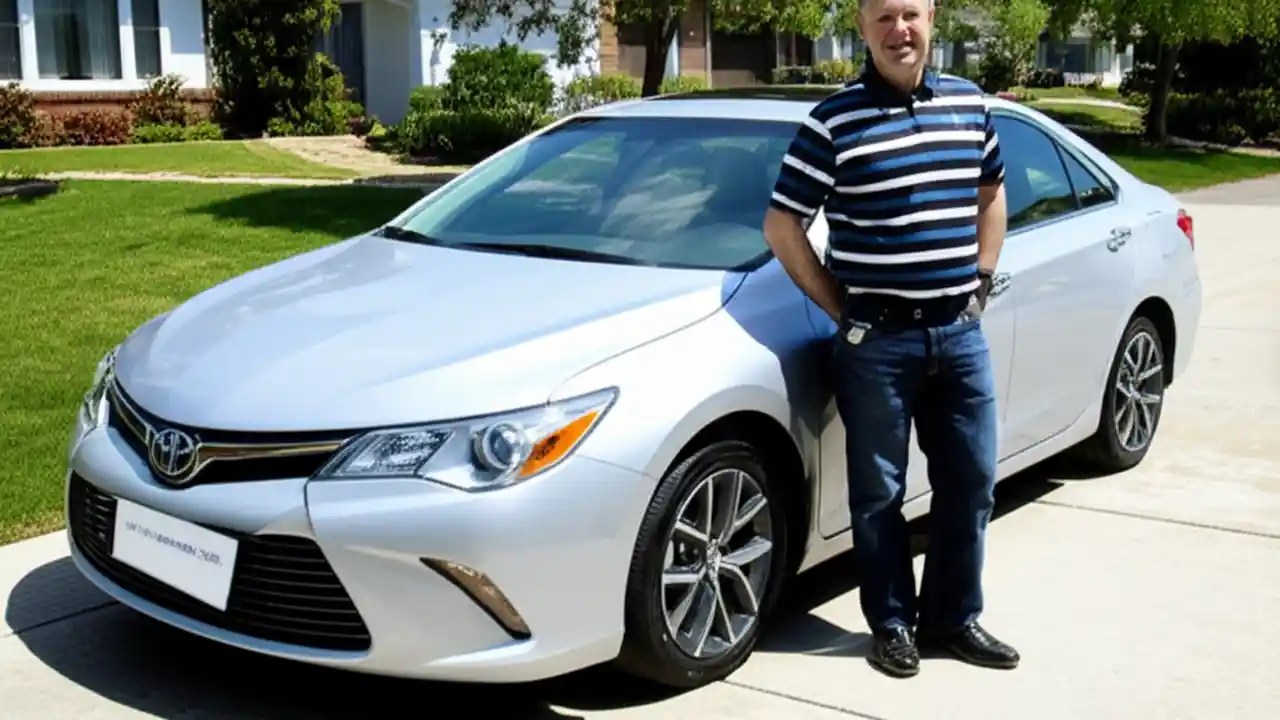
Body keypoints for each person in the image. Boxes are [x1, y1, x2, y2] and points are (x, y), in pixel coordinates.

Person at [761, 0, 1019, 678]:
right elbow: (782, 226)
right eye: (883, 17)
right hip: (877, 343)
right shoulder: (833, 122)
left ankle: (955, 619)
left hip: (959, 334)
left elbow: (991, 193)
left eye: (910, 14)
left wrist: (982, 278)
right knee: (879, 493)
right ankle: (894, 625)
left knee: (971, 481)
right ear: (861, 23)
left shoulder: (969, 106)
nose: (899, 30)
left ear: (932, 19)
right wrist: (839, 304)